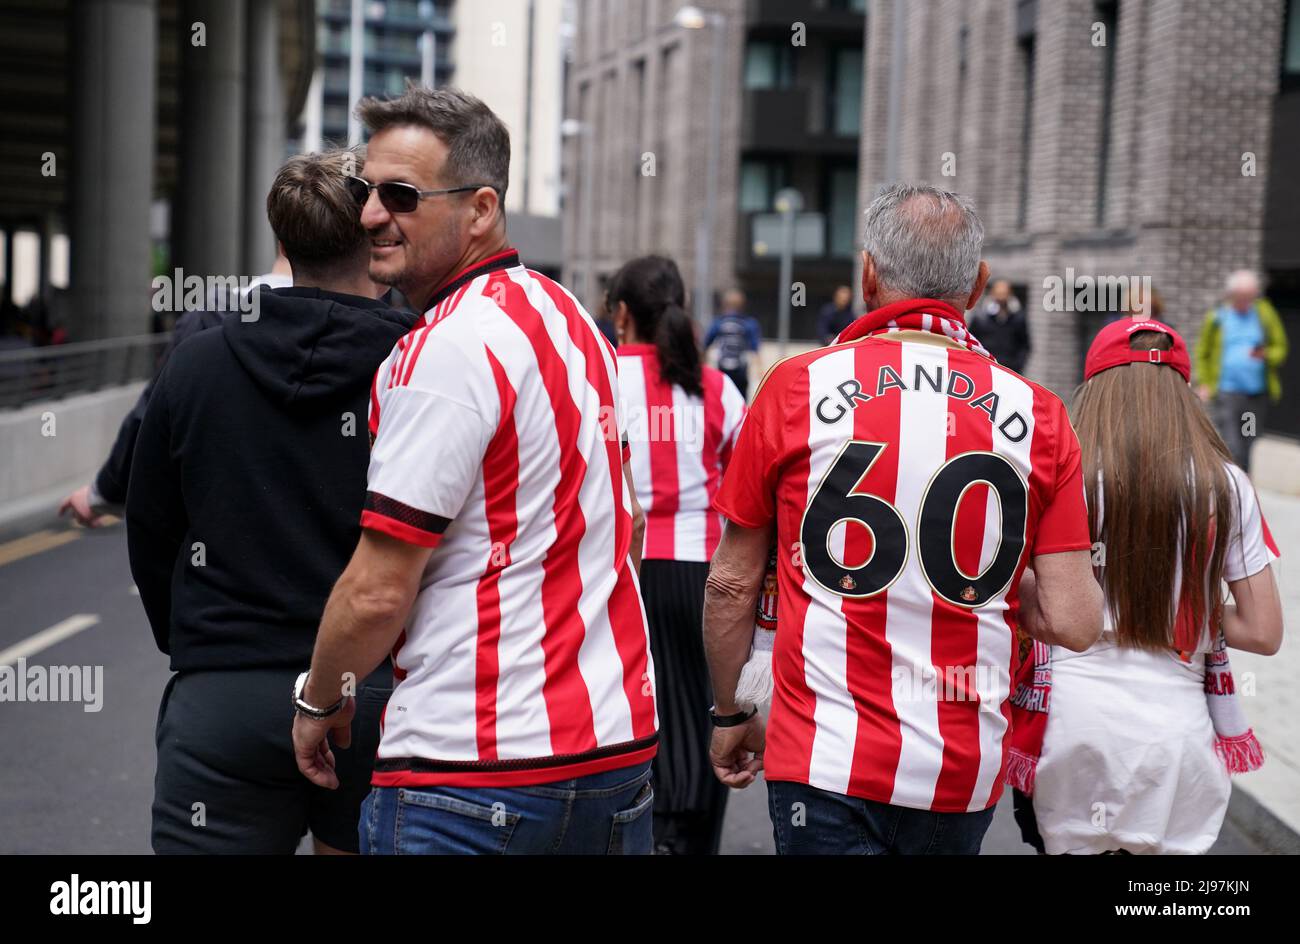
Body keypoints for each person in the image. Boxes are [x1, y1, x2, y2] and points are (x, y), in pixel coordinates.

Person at [291, 87, 658, 856]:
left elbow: (379, 587)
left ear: (482, 209)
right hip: (612, 762)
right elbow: (627, 517)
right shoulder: (572, 322)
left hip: (468, 776)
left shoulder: (442, 349)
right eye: (364, 191)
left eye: (401, 196)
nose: (367, 216)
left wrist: (320, 698)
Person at [701, 183, 1103, 855]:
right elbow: (1076, 621)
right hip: (960, 770)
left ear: (866, 275)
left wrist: (732, 709)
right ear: (976, 286)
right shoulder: (1041, 415)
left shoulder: (795, 387)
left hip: (822, 759)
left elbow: (731, 585)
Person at [125, 149, 416, 854]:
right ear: (374, 234)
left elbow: (150, 526)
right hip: (378, 696)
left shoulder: (196, 361)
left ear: (282, 243)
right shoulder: (419, 361)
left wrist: (198, 643)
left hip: (222, 696)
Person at [1013, 318, 1283, 854]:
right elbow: (1263, 630)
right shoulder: (1226, 484)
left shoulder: (1057, 473)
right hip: (1176, 745)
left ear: (1092, 389)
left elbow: (1018, 590)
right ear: (1183, 393)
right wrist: (1181, 603)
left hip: (1068, 730)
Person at [610, 255, 746, 854]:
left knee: (637, 707)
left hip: (626, 571)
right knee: (709, 712)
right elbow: (748, 491)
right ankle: (689, 842)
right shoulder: (717, 387)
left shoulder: (601, 375)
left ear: (620, 315)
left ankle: (646, 832)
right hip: (706, 572)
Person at [1194, 270, 1288, 473]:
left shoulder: (1264, 313)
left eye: (1250, 297)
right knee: (1231, 442)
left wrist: (1266, 355)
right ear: (1231, 295)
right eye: (1242, 297)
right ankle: (1232, 484)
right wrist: (1205, 383)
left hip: (1254, 395)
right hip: (1228, 392)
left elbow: (1280, 347)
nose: (1246, 302)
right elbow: (1204, 351)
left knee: (1248, 440)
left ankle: (1243, 485)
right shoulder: (1218, 317)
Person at [705, 288, 762, 399]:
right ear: (742, 305)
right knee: (740, 398)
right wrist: (760, 368)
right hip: (740, 369)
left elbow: (706, 344)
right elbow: (755, 348)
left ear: (724, 305)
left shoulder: (719, 322)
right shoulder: (749, 323)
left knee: (723, 397)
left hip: (723, 368)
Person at [968, 278, 1030, 374]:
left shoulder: (1018, 318)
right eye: (999, 293)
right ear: (993, 294)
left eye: (1004, 293)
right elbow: (971, 342)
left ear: (1010, 295)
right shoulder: (980, 318)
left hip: (1010, 370)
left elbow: (1025, 345)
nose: (1001, 298)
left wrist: (1017, 365)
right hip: (985, 368)